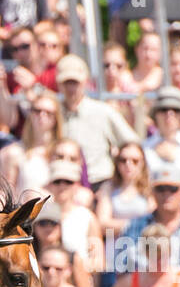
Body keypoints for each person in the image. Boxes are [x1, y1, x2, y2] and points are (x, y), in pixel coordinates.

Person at [57, 54, 140, 189]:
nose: (71, 88)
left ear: (85, 82)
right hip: (64, 182)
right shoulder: (53, 113)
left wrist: (119, 163)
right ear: (59, 84)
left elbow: (131, 142)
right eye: (67, 83)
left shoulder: (102, 111)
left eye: (75, 83)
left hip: (101, 181)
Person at [95, 142, 153, 238]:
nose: (128, 164)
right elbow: (102, 224)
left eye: (135, 161)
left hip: (143, 246)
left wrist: (118, 224)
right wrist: (134, 224)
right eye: (123, 160)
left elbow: (152, 222)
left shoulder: (150, 189)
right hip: (115, 247)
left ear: (143, 163)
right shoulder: (108, 187)